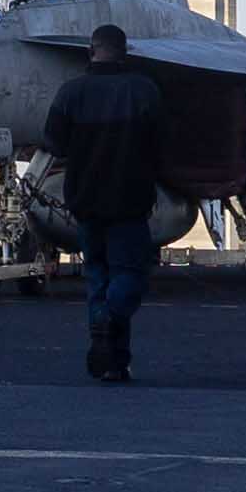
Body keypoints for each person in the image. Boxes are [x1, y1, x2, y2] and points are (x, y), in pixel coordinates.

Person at [41, 23, 174, 384]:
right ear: (125, 51)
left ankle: (112, 362)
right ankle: (109, 323)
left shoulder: (71, 93)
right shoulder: (143, 91)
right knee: (130, 274)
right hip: (130, 200)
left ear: (91, 49)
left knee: (97, 277)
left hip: (85, 200)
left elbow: (53, 143)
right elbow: (163, 143)